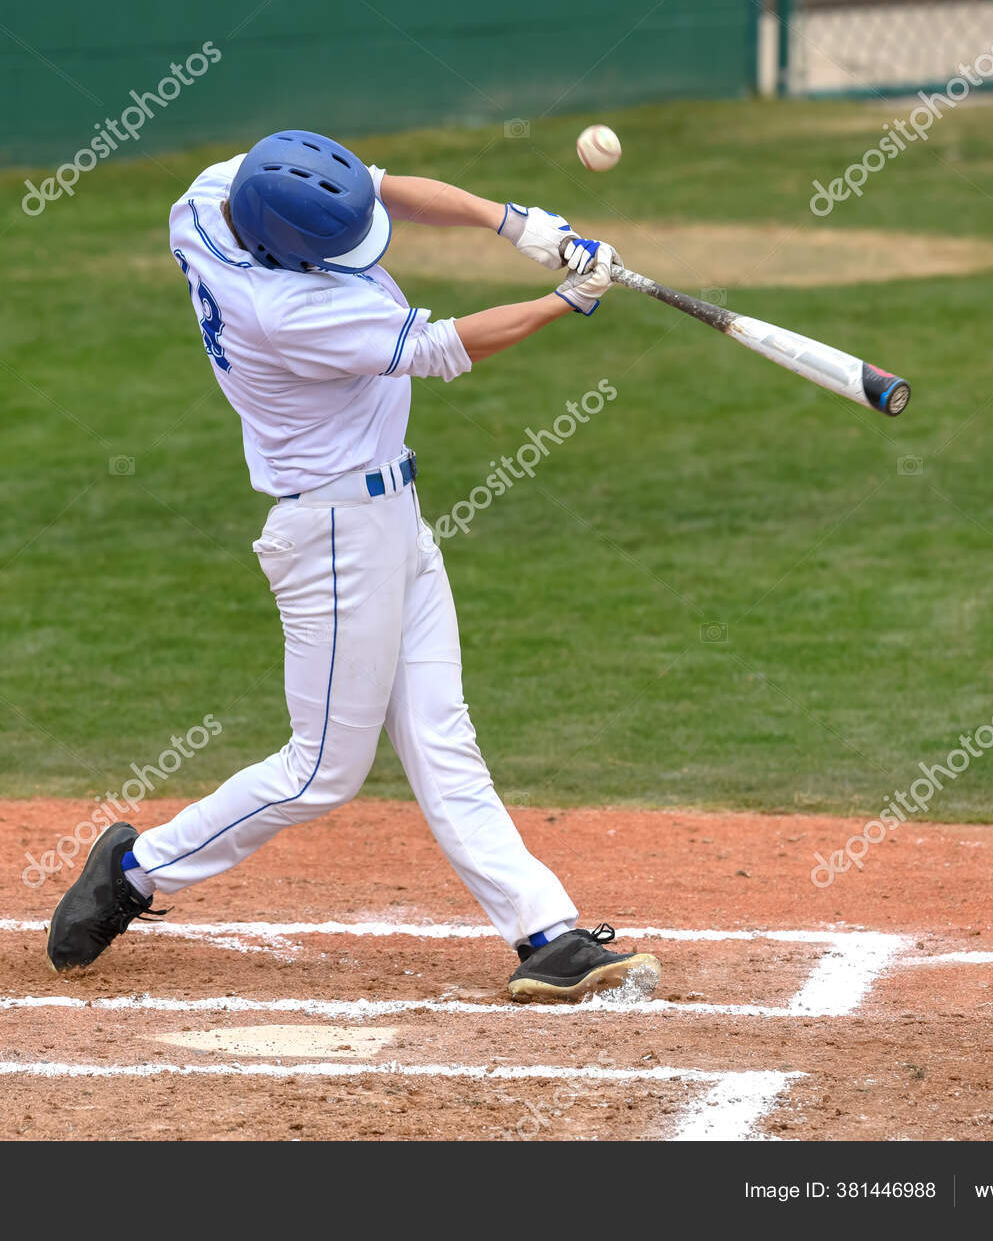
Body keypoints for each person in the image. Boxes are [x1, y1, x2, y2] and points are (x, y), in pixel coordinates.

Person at [47, 129, 659, 1003]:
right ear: (285, 250)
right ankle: (137, 870)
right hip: (334, 537)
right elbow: (448, 349)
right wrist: (570, 299)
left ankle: (545, 933)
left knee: (444, 739)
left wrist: (518, 226)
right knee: (322, 770)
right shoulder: (288, 313)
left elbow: (386, 191)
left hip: (390, 518)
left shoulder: (217, 191)